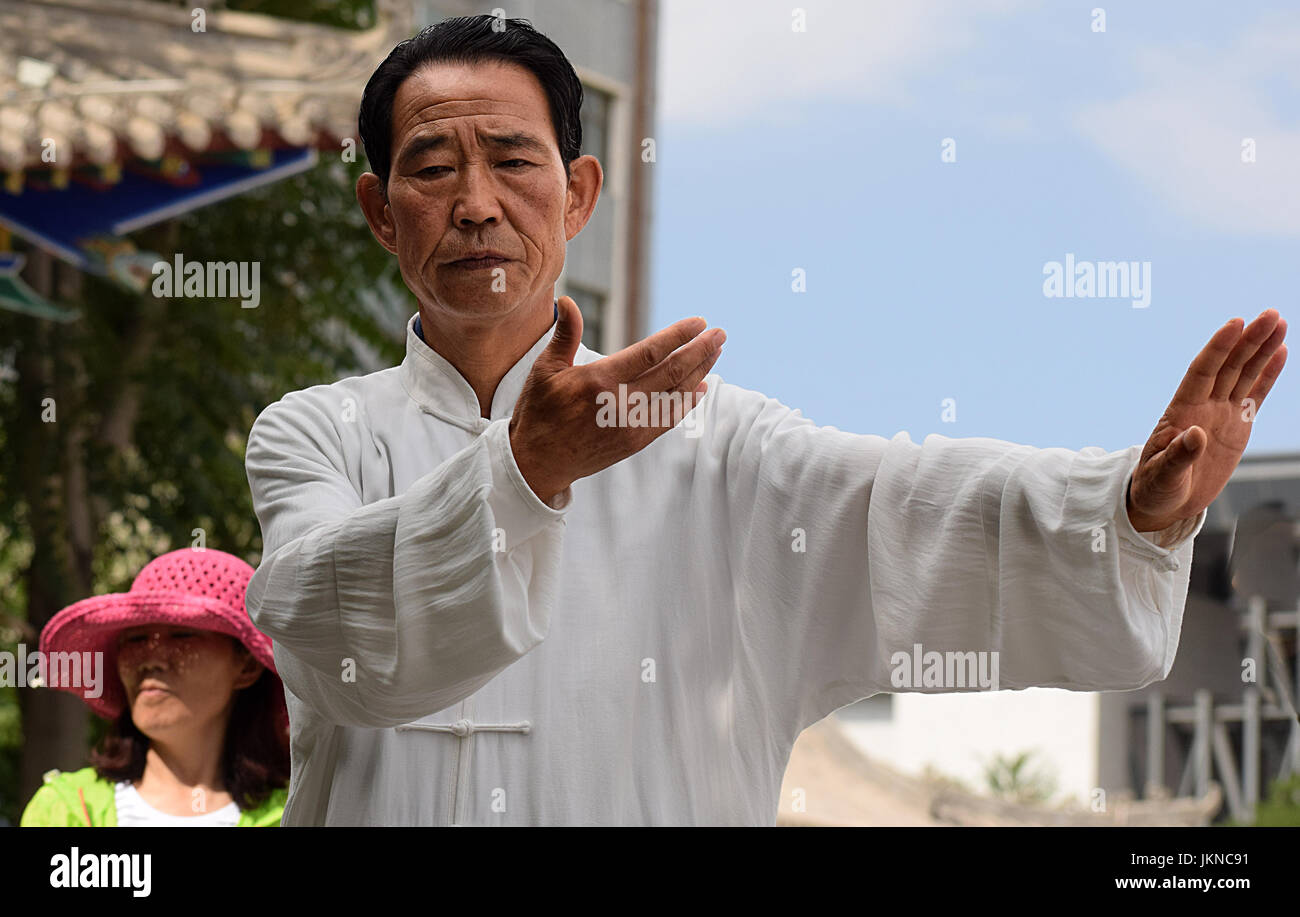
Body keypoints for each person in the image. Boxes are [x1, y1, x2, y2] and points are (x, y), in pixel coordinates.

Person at [242, 15, 1288, 825]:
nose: (475, 202)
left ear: (578, 195)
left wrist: (1122, 507)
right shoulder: (316, 433)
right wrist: (520, 472)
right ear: (382, 211)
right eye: (432, 166)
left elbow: (909, 500)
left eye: (513, 160)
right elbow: (323, 625)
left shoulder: (715, 447)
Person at [20, 548, 289, 827]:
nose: (150, 660)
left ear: (246, 666)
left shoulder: (300, 812)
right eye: (135, 639)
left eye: (183, 635)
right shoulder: (64, 810)